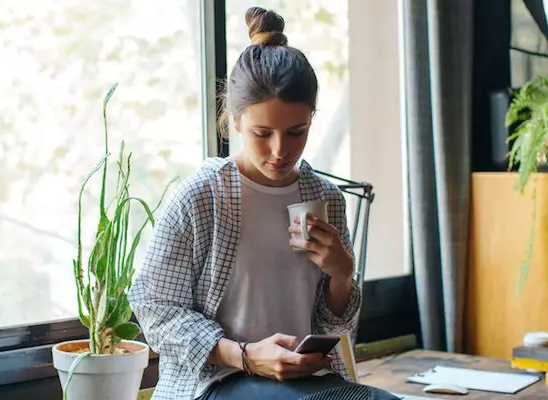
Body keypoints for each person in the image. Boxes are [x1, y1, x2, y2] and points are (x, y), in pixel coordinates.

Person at [128, 7, 398, 400]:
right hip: (218, 381)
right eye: (262, 133)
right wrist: (248, 356)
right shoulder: (202, 198)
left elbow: (333, 327)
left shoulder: (325, 198)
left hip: (306, 383)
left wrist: (341, 275)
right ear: (234, 121)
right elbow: (155, 309)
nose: (279, 150)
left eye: (296, 132)